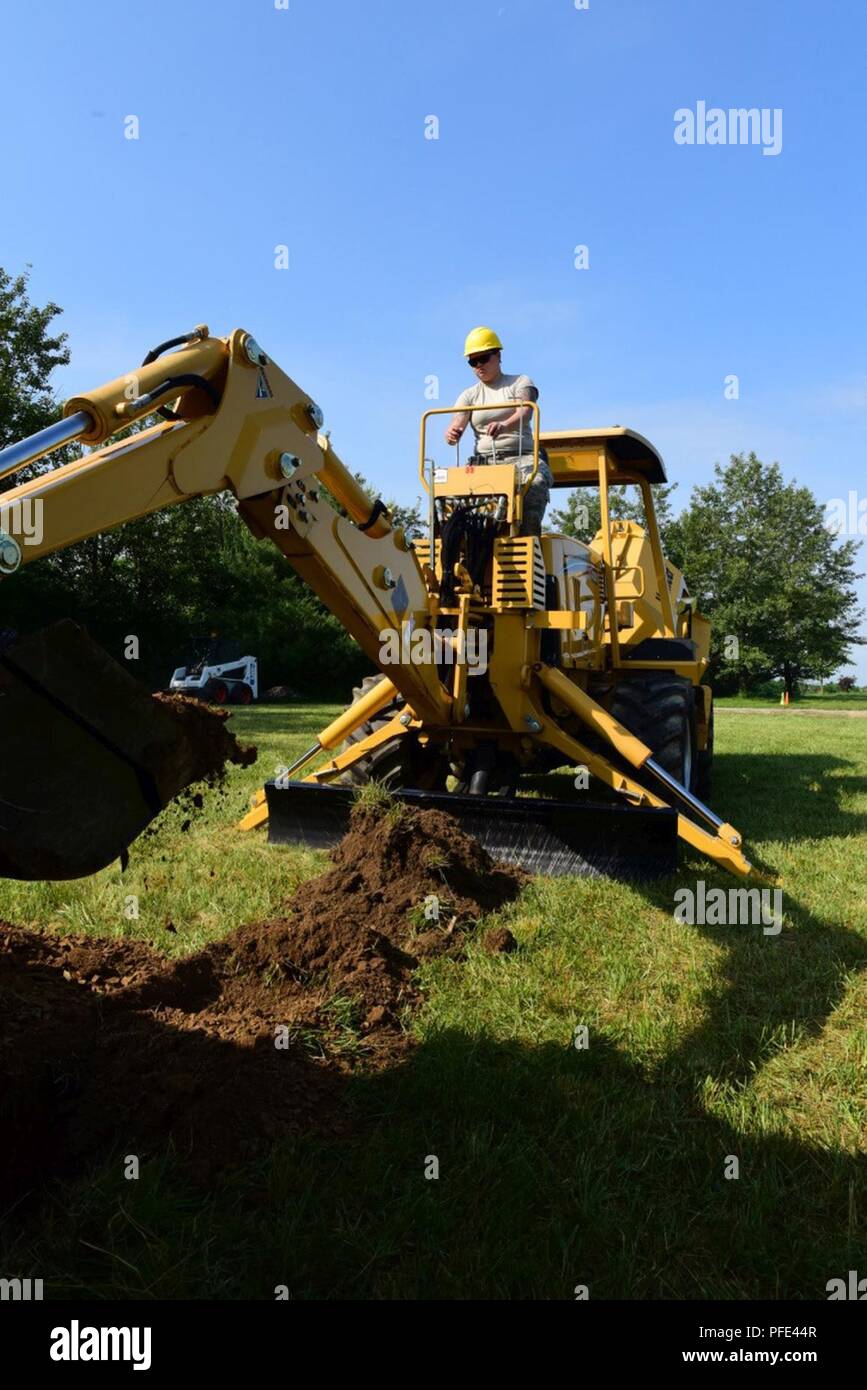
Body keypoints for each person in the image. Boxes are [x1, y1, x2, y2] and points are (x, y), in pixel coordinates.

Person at [444, 326, 553, 537]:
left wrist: (505, 424)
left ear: (498, 355)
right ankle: (456, 556)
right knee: (448, 497)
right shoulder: (469, 396)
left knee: (536, 483)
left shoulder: (520, 383)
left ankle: (528, 543)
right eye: (472, 362)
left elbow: (526, 411)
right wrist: (452, 434)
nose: (478, 366)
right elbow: (456, 424)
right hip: (484, 463)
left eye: (483, 358)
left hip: (522, 459)